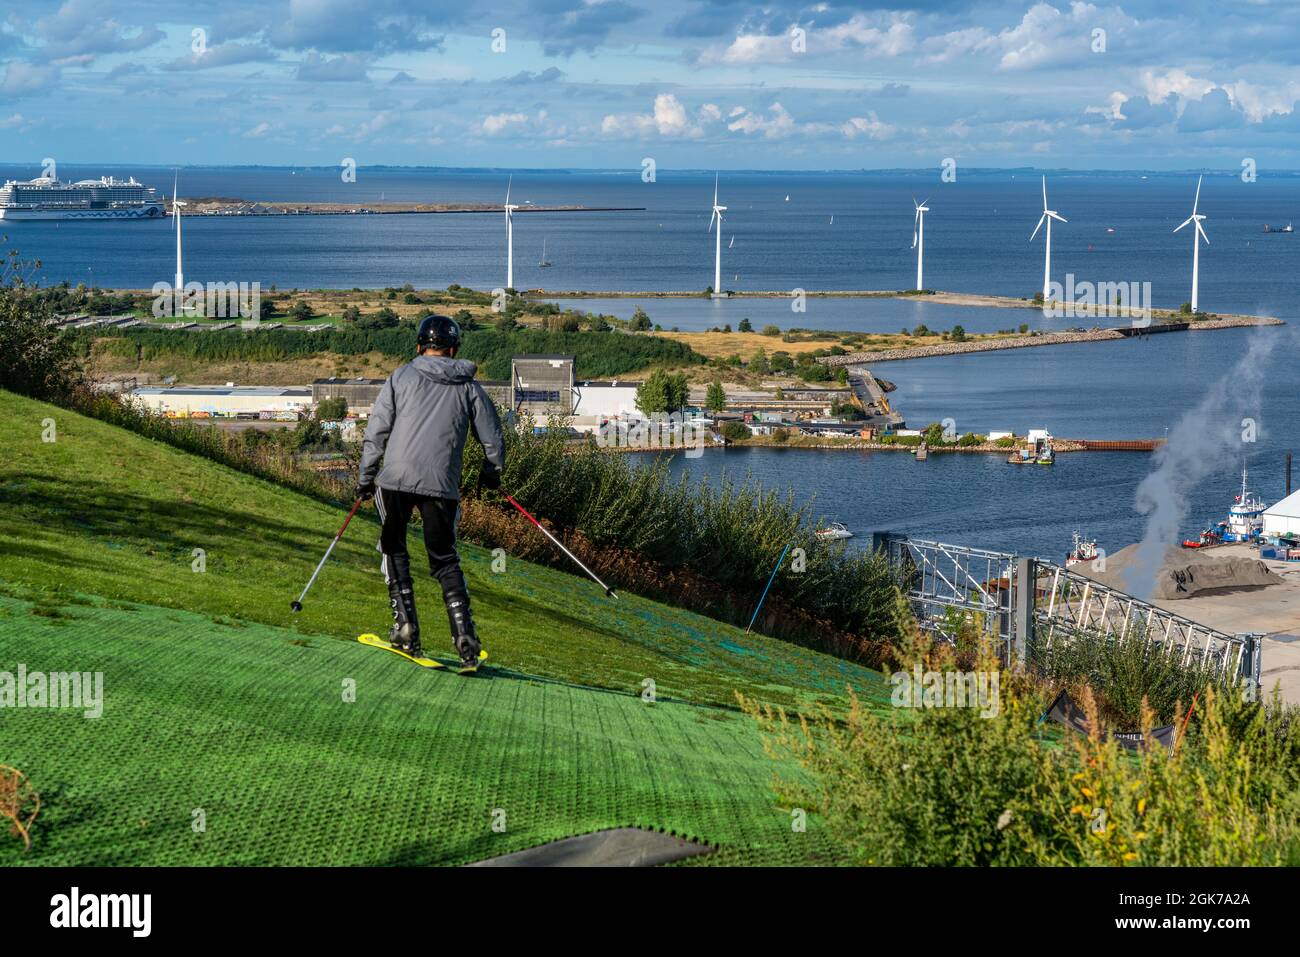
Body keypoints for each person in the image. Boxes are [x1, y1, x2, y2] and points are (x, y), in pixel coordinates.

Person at [355, 315, 505, 667]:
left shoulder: (400, 377)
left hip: (393, 481)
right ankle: (466, 640)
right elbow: (492, 437)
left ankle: (405, 629)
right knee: (444, 559)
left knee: (393, 549)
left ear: (420, 345)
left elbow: (376, 432)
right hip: (441, 485)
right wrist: (491, 474)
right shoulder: (469, 386)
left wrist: (365, 478)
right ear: (453, 349)